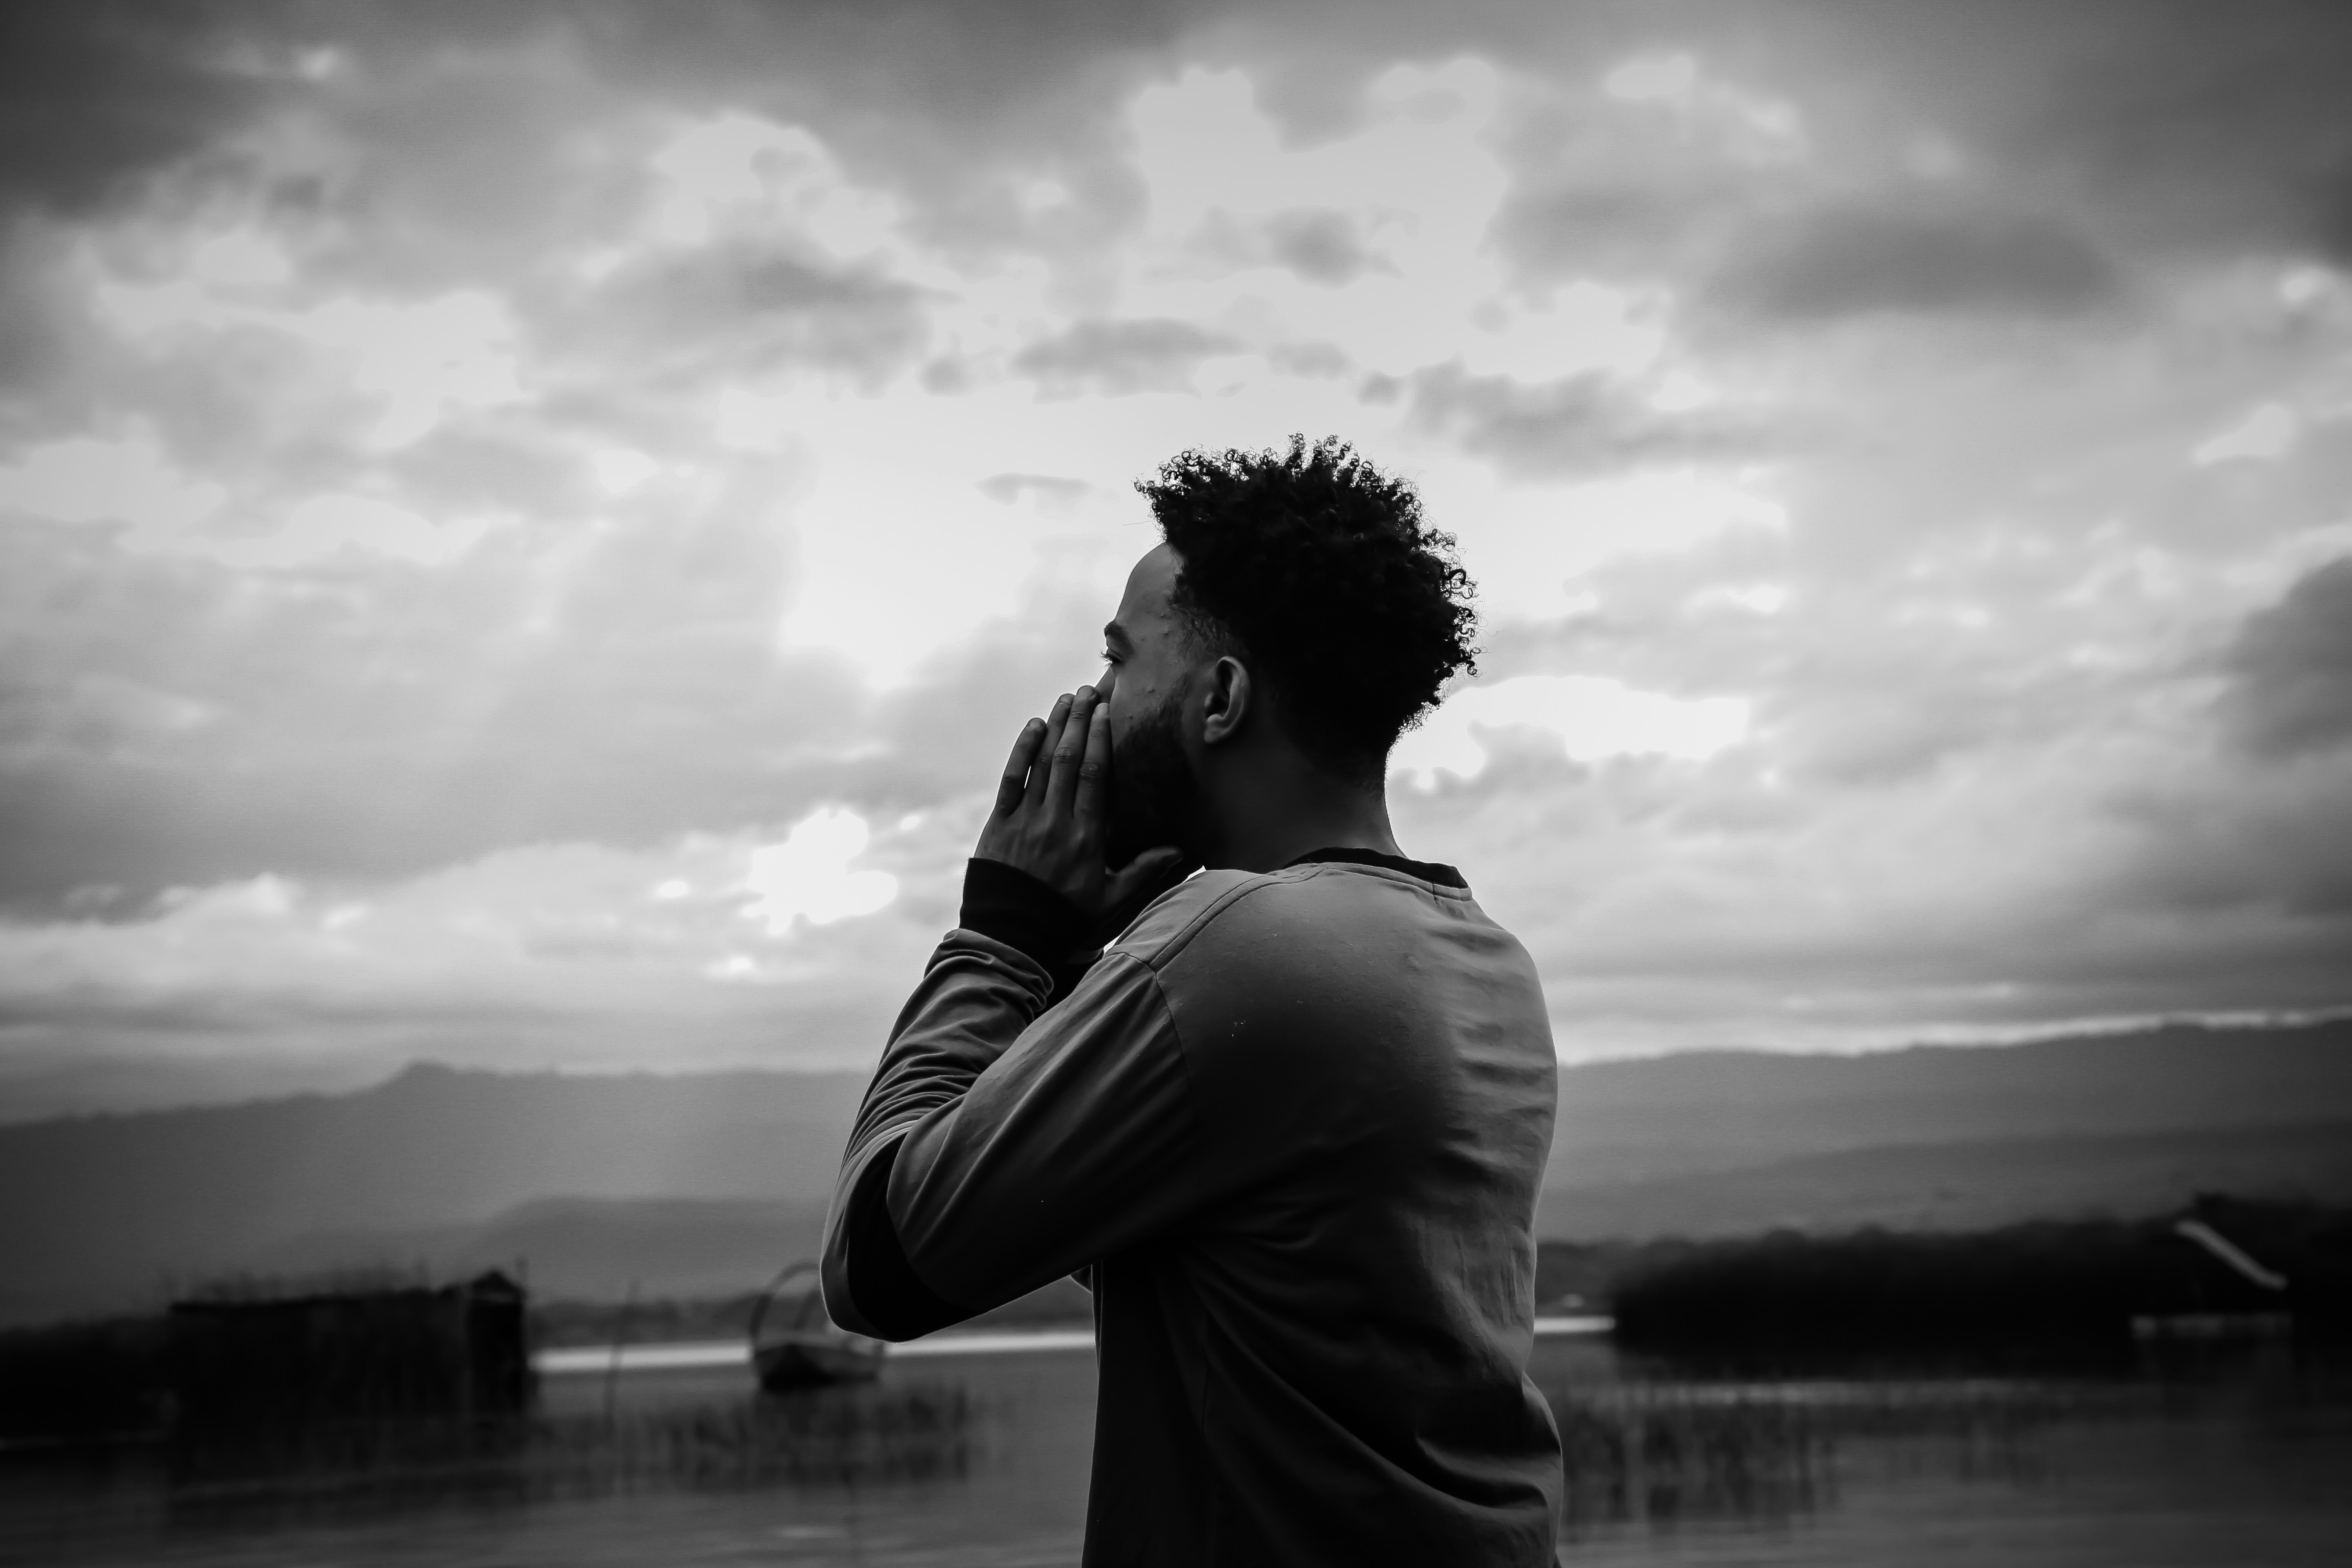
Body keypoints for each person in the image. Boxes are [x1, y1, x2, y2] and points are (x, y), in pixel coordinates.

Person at [821, 436, 1561, 1564]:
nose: (1090, 702)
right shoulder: (1479, 958)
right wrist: (1081, 964)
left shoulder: (1236, 950)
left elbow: (880, 1262)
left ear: (1218, 699)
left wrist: (1002, 932)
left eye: (1120, 662)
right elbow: (1082, 1210)